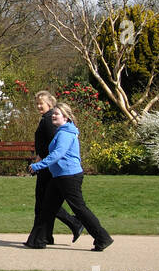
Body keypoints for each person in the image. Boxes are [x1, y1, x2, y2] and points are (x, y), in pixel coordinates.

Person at [26, 102, 115, 252]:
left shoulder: (66, 133)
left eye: (57, 114)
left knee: (79, 208)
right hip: (59, 176)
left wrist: (37, 166)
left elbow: (58, 154)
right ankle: (37, 240)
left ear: (66, 117)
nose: (53, 116)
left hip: (69, 176)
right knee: (47, 207)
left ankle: (102, 237)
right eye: (53, 113)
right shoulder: (62, 131)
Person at [23, 90, 84, 247]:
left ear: (49, 103)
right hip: (47, 164)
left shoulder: (49, 120)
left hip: (49, 167)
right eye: (36, 103)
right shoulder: (46, 119)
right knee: (45, 203)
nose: (38, 106)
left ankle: (70, 225)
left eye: (40, 103)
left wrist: (42, 159)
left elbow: (55, 145)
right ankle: (45, 236)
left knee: (45, 203)